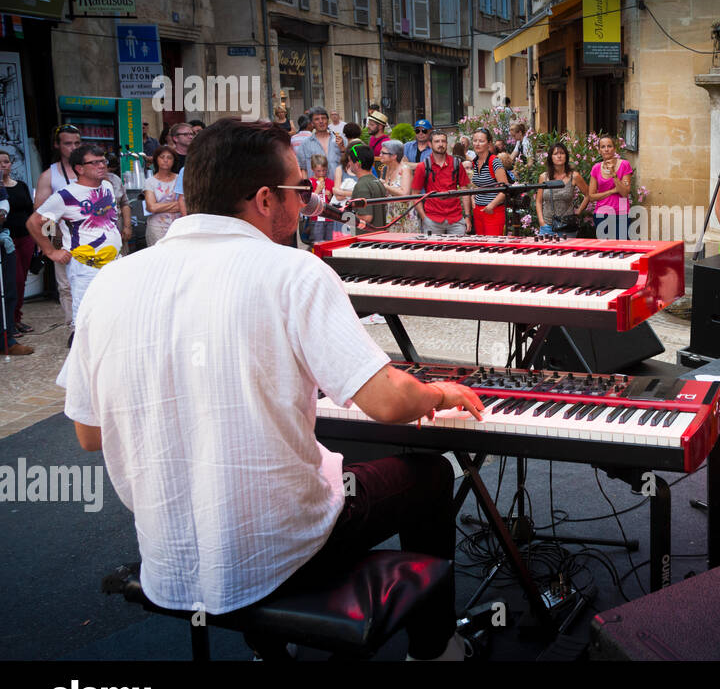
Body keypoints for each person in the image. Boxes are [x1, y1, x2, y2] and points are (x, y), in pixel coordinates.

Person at [59, 118, 485, 660]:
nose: (306, 202)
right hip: (280, 550)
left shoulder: (111, 282)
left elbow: (90, 435)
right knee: (427, 474)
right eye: (300, 190)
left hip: (168, 555)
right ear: (265, 198)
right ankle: (435, 649)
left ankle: (269, 649)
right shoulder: (294, 272)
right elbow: (389, 402)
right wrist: (441, 393)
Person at [27, 143, 121, 333]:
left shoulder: (107, 185)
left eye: (103, 160)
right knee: (86, 310)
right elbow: (34, 222)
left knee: (113, 307)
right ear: (79, 168)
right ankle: (81, 348)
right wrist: (50, 251)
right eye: (94, 163)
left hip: (114, 259)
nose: (102, 165)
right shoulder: (65, 195)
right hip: (85, 264)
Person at [33, 124, 83, 329]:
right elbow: (40, 214)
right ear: (57, 145)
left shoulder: (90, 167)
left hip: (93, 235)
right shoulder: (49, 175)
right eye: (68, 143)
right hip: (64, 238)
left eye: (77, 143)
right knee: (66, 286)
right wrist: (50, 243)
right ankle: (73, 326)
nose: (73, 148)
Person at [1, 150, 37, 334]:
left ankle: (16, 318)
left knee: (22, 280)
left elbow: (31, 211)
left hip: (26, 237)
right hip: (7, 240)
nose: (3, 165)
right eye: (0, 162)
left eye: (6, 161)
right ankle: (8, 321)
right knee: (12, 281)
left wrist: (38, 237)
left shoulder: (21, 185)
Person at [412, 131, 470, 235]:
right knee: (433, 250)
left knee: (458, 249)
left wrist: (467, 216)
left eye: (443, 141)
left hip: (456, 218)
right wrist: (424, 217)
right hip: (432, 219)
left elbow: (464, 191)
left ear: (447, 143)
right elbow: (415, 194)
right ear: (430, 144)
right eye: (437, 141)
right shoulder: (423, 166)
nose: (441, 144)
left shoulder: (456, 163)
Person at [536, 142, 588, 238]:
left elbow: (588, 195)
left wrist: (579, 211)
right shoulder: (544, 177)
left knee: (566, 252)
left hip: (567, 226)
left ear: (566, 156)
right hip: (547, 226)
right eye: (555, 154)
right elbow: (538, 201)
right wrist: (541, 221)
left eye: (562, 153)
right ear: (551, 157)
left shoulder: (574, 176)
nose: (559, 156)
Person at [588, 135, 633, 240]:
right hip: (601, 214)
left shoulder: (624, 165)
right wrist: (613, 191)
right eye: (603, 147)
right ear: (599, 151)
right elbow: (591, 196)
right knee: (605, 251)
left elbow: (624, 193)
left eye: (609, 146)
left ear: (614, 149)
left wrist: (614, 175)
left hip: (621, 214)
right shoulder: (596, 168)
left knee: (622, 249)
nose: (606, 149)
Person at [469, 128, 510, 237]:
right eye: (475, 140)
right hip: (478, 210)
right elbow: (477, 185)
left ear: (489, 143)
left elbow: (505, 189)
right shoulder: (475, 162)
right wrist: (473, 198)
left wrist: (491, 205)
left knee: (492, 246)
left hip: (493, 211)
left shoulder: (494, 161)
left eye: (481, 141)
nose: (477, 144)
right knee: (481, 245)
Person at [377, 140, 421, 234]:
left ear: (394, 156)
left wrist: (385, 186)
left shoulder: (405, 170)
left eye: (383, 153)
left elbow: (404, 194)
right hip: (391, 217)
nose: (380, 155)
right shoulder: (384, 169)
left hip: (405, 218)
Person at [143, 146, 182, 246]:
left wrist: (159, 206)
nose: (165, 160)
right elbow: (151, 207)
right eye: (162, 157)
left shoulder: (180, 179)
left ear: (174, 161)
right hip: (157, 228)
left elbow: (185, 205)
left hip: (178, 226)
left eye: (169, 158)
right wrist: (177, 205)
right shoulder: (150, 182)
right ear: (156, 159)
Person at [345, 144, 387, 231]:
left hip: (366, 239)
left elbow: (366, 217)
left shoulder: (362, 185)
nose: (349, 163)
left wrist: (346, 215)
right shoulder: (377, 181)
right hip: (377, 237)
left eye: (350, 161)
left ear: (357, 164)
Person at [296, 106, 343, 180]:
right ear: (312, 123)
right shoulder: (305, 144)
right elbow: (303, 169)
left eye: (323, 118)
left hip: (338, 188)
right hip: (317, 189)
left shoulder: (340, 140)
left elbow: (349, 164)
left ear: (328, 120)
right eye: (317, 119)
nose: (321, 121)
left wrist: (343, 149)